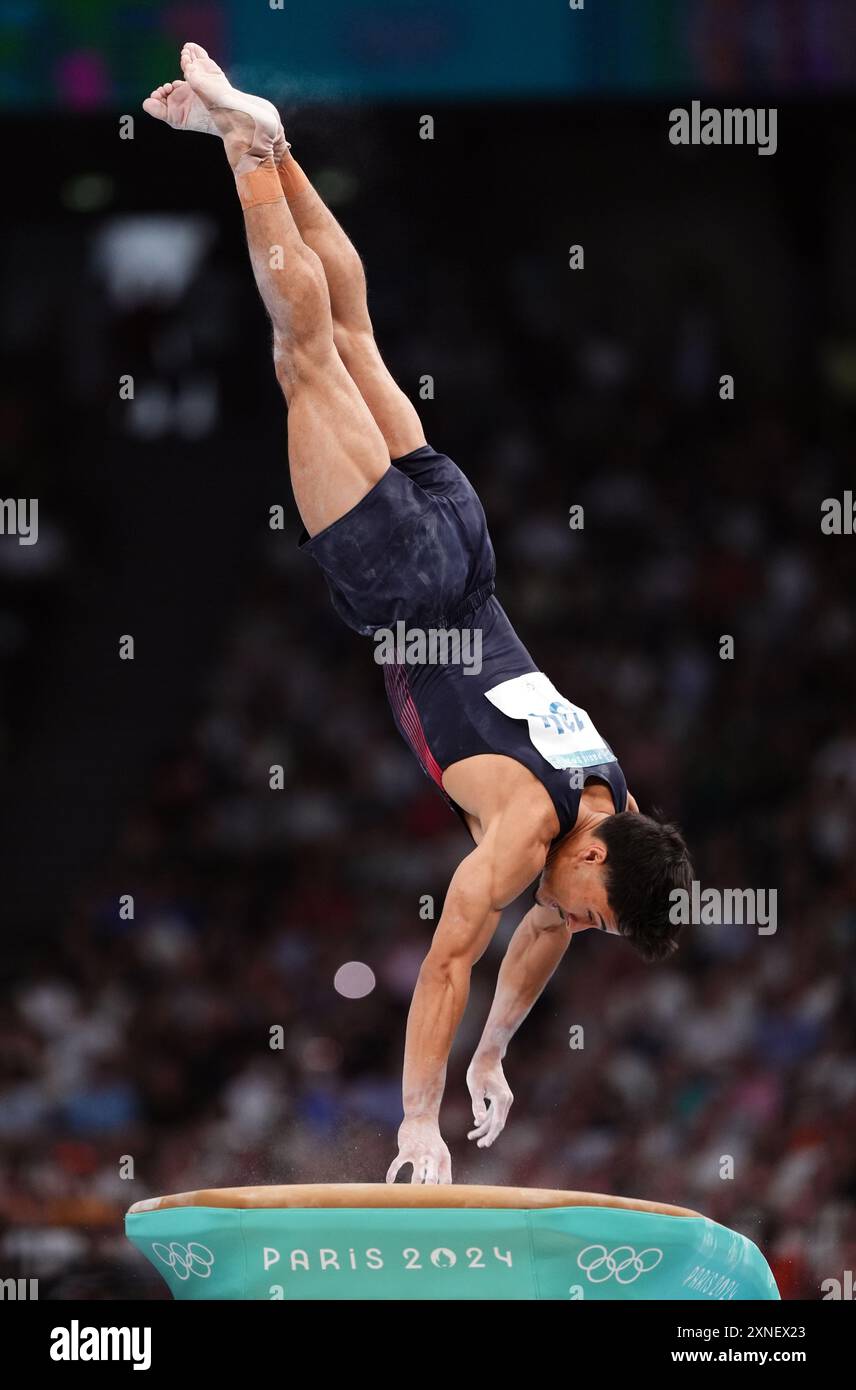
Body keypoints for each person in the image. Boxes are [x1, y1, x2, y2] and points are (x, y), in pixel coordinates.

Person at [144, 44, 694, 1185]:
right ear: (594, 852)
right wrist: (416, 1123)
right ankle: (250, 152)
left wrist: (496, 1055)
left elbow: (541, 933)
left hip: (467, 548)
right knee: (304, 358)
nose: (579, 924)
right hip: (403, 581)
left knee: (356, 338)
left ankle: (270, 139)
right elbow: (447, 959)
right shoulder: (522, 837)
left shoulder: (614, 805)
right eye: (598, 912)